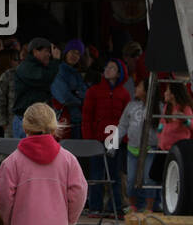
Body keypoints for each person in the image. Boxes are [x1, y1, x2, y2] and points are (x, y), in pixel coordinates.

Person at [81, 58, 130, 215]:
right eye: (107, 67)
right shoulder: (94, 91)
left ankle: (114, 207)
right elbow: (87, 115)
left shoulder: (124, 93)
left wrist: (124, 138)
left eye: (112, 68)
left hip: (115, 137)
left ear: (119, 73)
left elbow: (127, 117)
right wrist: (88, 137)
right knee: (96, 173)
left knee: (115, 173)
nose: (108, 70)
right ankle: (95, 207)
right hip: (97, 137)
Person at [118, 80, 157, 213]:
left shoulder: (158, 106)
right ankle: (133, 206)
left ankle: (149, 208)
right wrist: (113, 143)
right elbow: (122, 125)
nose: (136, 88)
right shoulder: (131, 106)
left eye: (139, 86)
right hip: (132, 149)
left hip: (150, 148)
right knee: (131, 179)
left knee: (148, 178)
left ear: (147, 90)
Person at [11, 38, 60, 139]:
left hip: (39, 121)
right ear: (35, 51)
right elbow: (44, 79)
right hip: (25, 120)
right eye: (46, 51)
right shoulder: (26, 67)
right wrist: (55, 61)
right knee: (25, 153)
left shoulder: (40, 67)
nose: (49, 55)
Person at [51, 39, 88, 138]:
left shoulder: (77, 74)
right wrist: (79, 100)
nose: (74, 55)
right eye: (72, 51)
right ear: (66, 52)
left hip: (77, 121)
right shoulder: (58, 70)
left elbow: (86, 95)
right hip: (63, 122)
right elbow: (64, 97)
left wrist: (76, 94)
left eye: (78, 53)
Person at [0, 50, 19, 138]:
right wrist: (4, 125)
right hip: (10, 127)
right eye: (15, 59)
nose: (19, 62)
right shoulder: (7, 76)